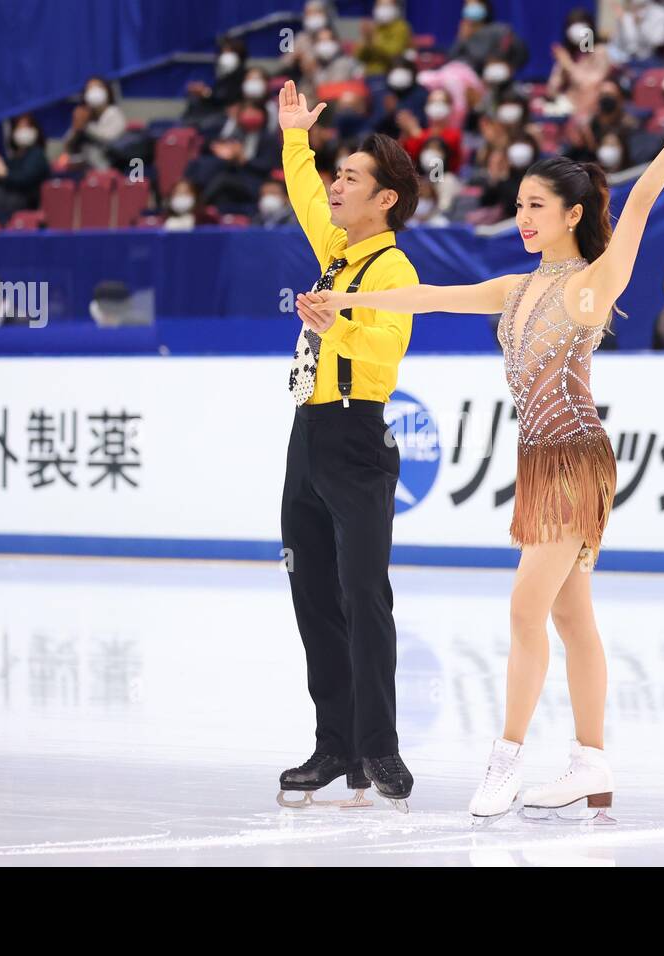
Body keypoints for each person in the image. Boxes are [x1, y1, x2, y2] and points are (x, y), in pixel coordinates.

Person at [297, 61, 664, 823]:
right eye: (520, 204)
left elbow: (641, 201)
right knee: (570, 618)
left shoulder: (594, 282)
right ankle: (592, 764)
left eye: (537, 205)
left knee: (525, 609)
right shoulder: (516, 287)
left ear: (571, 213)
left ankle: (506, 759)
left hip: (578, 458)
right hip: (538, 461)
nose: (523, 215)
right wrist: (348, 298)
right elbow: (428, 297)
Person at [274, 80, 422, 811]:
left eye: (352, 177)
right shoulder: (335, 247)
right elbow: (303, 192)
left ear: (386, 197)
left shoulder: (394, 272)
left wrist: (339, 327)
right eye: (339, 174)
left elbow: (385, 356)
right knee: (312, 595)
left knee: (364, 595)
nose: (337, 184)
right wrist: (295, 137)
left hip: (358, 436)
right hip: (307, 434)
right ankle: (334, 743)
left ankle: (379, 748)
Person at [58, 77, 127, 172]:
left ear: (107, 91)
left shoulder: (114, 113)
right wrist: (77, 126)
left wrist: (86, 127)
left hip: (109, 165)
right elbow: (67, 144)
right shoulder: (84, 114)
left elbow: (110, 137)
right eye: (90, 88)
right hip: (82, 167)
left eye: (98, 87)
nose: (94, 91)